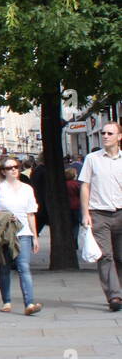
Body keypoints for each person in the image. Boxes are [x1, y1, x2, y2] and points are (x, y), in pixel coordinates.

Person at [0, 155, 41, 315]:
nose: (14, 170)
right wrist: (2, 215)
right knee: (4, 267)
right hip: (2, 234)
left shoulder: (27, 188)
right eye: (9, 168)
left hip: (23, 233)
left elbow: (31, 214)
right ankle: (6, 301)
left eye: (16, 166)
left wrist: (35, 236)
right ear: (3, 171)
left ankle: (29, 304)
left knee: (24, 267)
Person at [80, 120, 122, 312]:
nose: (105, 136)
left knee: (120, 257)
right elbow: (85, 186)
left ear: (119, 137)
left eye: (110, 133)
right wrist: (85, 213)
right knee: (105, 256)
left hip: (120, 213)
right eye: (104, 133)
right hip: (99, 214)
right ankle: (114, 296)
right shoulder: (92, 159)